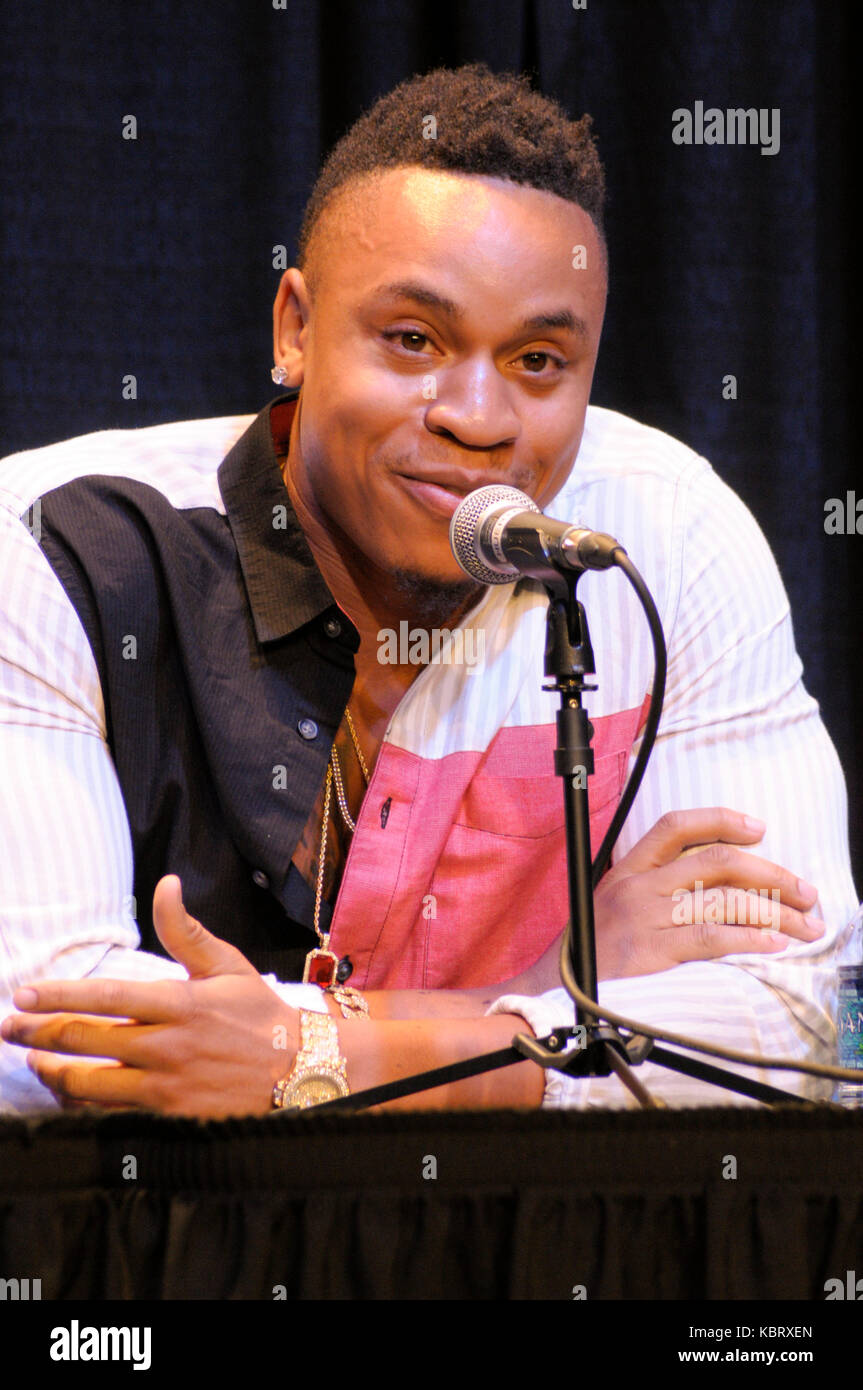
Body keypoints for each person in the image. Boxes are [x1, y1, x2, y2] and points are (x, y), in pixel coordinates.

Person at [0, 64, 857, 1117]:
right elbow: (41, 1035)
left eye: (539, 360)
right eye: (413, 340)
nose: (478, 416)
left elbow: (797, 1025)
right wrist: (549, 999)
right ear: (294, 329)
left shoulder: (661, 542)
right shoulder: (50, 550)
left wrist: (322, 1058)